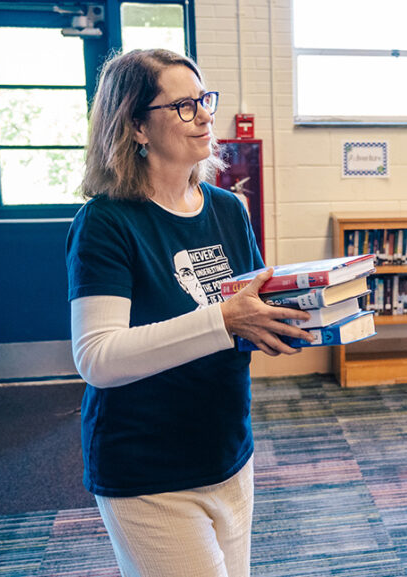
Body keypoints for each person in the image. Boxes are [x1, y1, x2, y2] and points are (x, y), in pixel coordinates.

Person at [66, 49, 315, 577]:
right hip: (147, 470)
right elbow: (98, 358)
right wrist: (224, 321)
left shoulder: (227, 208)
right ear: (135, 126)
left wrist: (310, 313)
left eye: (204, 99)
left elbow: (252, 309)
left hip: (227, 451)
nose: (204, 115)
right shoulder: (106, 223)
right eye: (183, 105)